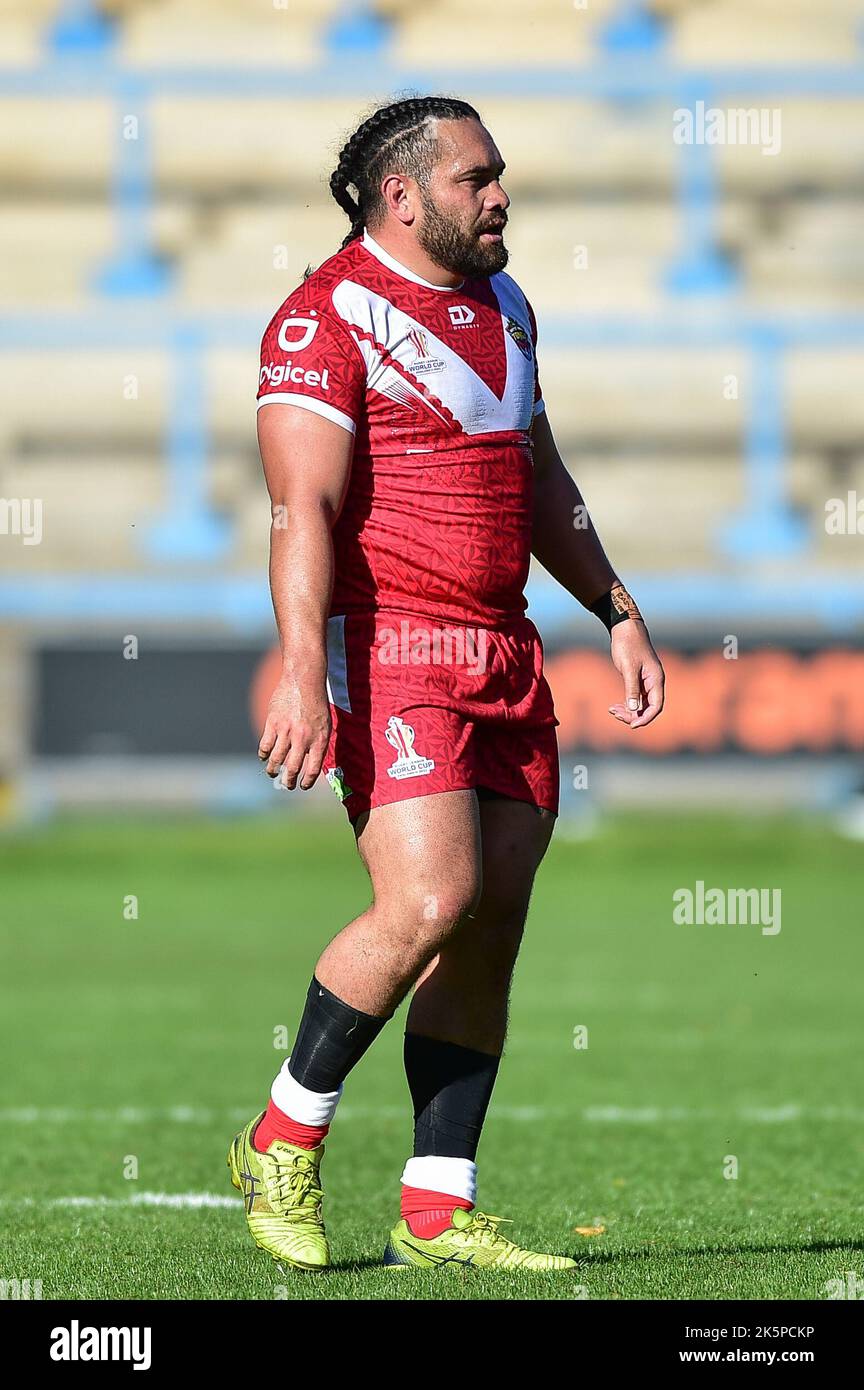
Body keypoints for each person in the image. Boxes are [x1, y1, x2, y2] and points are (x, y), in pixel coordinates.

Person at [228, 95, 665, 1272]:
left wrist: (615, 607)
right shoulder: (325, 317)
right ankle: (280, 1136)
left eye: (499, 173)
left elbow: (540, 474)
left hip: (504, 651)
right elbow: (302, 507)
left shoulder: (508, 304)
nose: (501, 195)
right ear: (403, 196)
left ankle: (438, 1210)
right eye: (477, 179)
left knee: (488, 925)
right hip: (389, 648)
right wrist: (300, 670)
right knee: (429, 901)